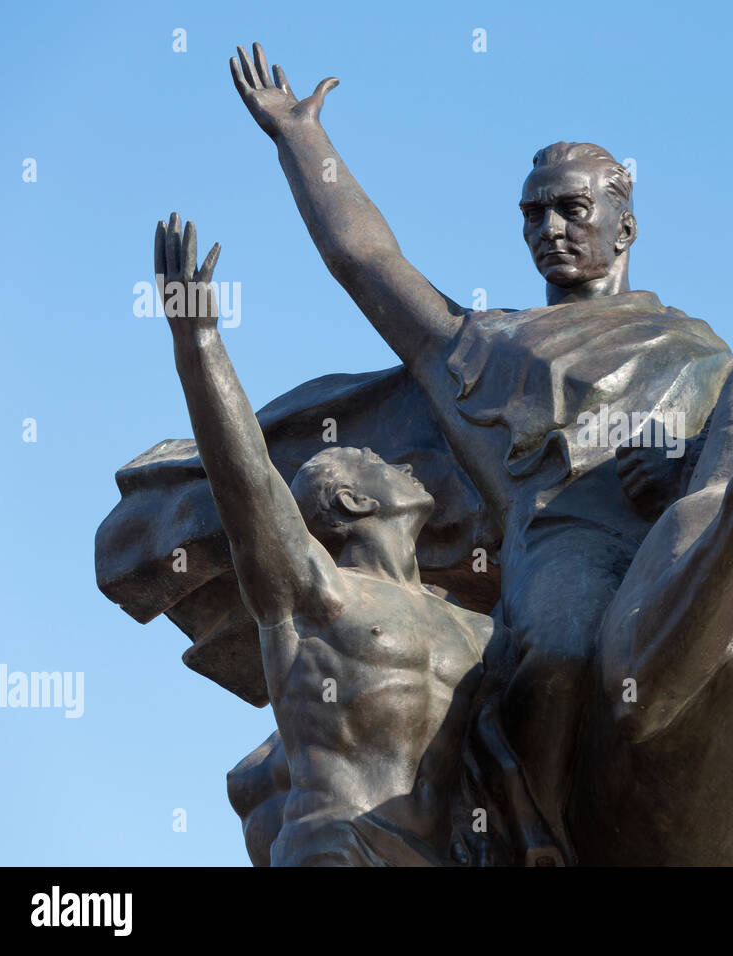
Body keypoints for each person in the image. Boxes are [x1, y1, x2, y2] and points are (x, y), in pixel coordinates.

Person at [229, 43, 733, 859]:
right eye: (533, 214)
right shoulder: (482, 350)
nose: (550, 229)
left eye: (572, 209)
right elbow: (367, 262)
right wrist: (300, 140)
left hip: (687, 551)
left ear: (625, 224)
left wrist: (685, 468)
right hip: (566, 557)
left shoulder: (701, 349)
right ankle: (528, 834)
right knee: (565, 648)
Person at [155, 213, 496, 866]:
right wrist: (198, 346)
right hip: (332, 850)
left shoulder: (478, 633)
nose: (403, 465)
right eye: (381, 462)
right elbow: (247, 479)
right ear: (351, 499)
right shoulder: (315, 595)